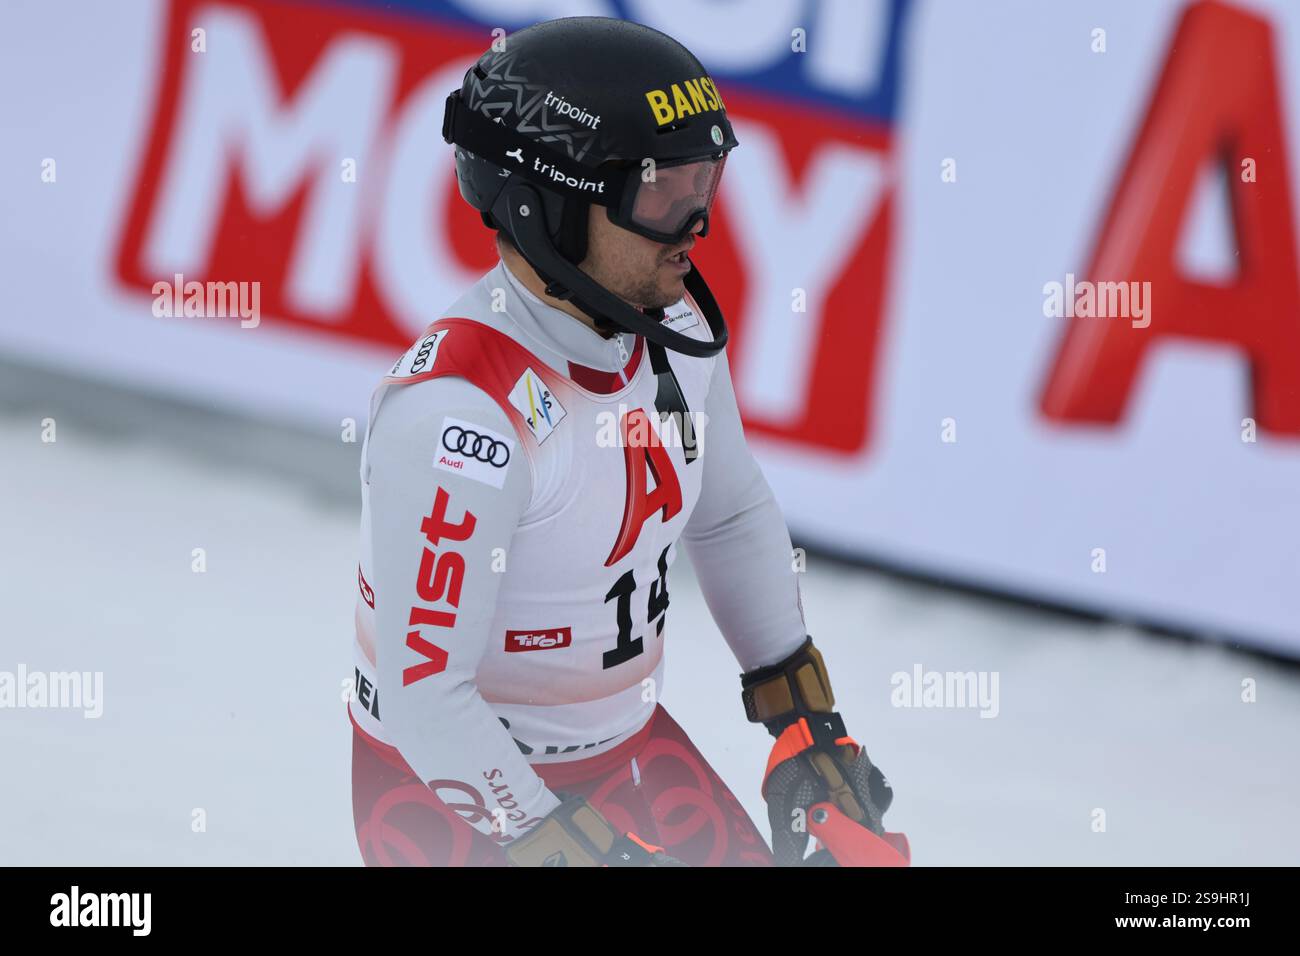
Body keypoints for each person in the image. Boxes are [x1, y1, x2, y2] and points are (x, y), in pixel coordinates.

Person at [348, 15, 903, 867]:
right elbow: (425, 700)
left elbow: (728, 516)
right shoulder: (463, 418)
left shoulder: (670, 327)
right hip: (455, 797)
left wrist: (808, 725)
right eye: (662, 193)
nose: (697, 224)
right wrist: (555, 842)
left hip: (625, 755)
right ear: (550, 205)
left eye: (705, 183)